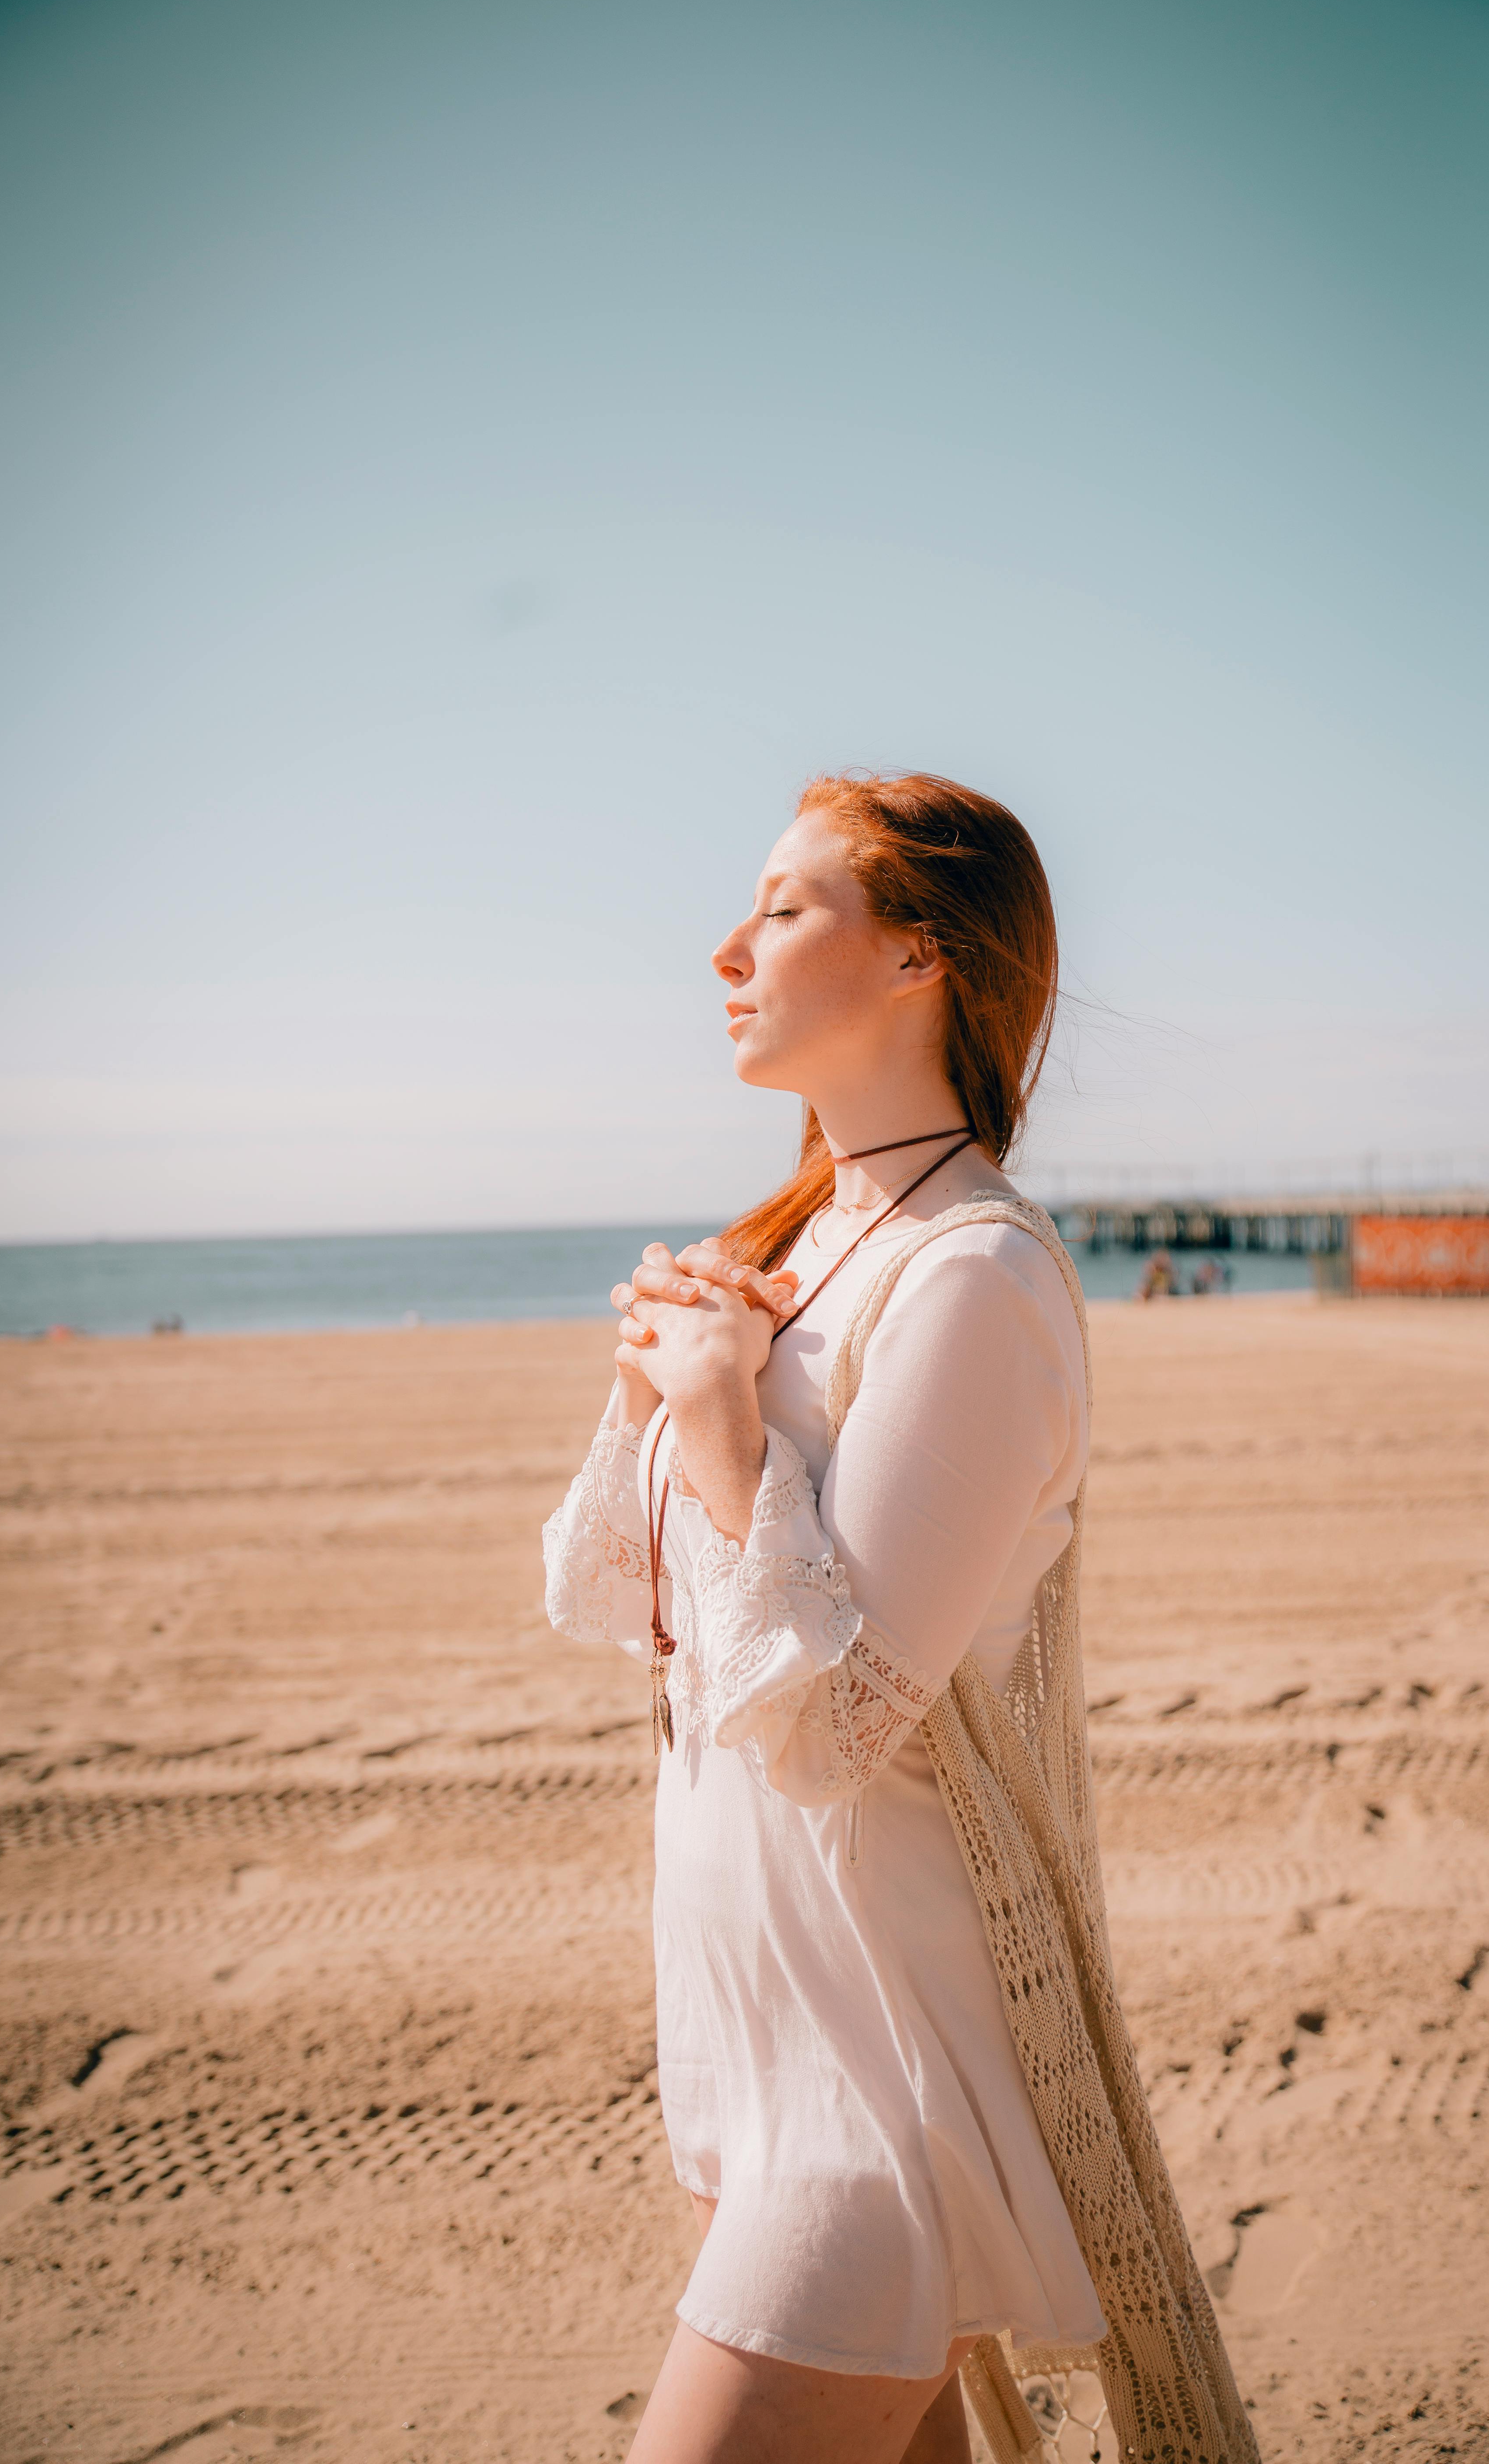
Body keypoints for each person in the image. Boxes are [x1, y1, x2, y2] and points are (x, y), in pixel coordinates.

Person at [542, 774, 1252, 2464]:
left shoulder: (974, 1279)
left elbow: (842, 1725)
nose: (727, 945)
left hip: (883, 2075)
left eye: (785, 908)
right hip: (770, 2041)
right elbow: (619, 1604)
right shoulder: (806, 1246)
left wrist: (719, 1427)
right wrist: (661, 1383)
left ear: (922, 954)